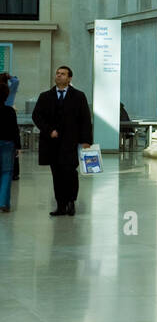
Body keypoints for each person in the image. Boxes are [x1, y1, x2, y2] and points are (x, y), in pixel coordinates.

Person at [31, 66, 93, 217]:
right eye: (58, 73)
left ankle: (71, 201)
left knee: (70, 173)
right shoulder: (45, 96)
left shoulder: (79, 96)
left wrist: (86, 141)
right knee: (57, 175)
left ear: (69, 78)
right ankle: (60, 205)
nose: (59, 76)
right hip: (52, 144)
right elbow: (37, 116)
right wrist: (49, 130)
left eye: (63, 74)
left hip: (71, 144)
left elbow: (85, 119)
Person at [0, 80, 20, 212]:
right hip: (7, 144)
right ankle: (3, 203)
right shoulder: (10, 111)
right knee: (6, 173)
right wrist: (18, 146)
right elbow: (15, 130)